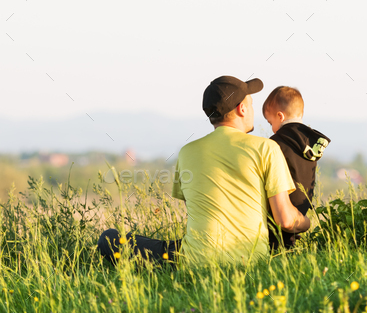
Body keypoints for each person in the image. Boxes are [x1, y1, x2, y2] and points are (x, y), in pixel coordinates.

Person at [97, 75, 310, 265]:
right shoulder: (266, 148)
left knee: (110, 238)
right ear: (241, 109)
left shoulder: (187, 152)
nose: (253, 111)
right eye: (251, 104)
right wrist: (307, 223)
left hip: (193, 260)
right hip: (252, 260)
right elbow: (287, 220)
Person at [262, 86, 330, 250]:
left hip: (280, 206)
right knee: (289, 244)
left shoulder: (275, 143)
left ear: (280, 116)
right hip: (301, 208)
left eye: (271, 122)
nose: (272, 127)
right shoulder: (311, 143)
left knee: (275, 246)